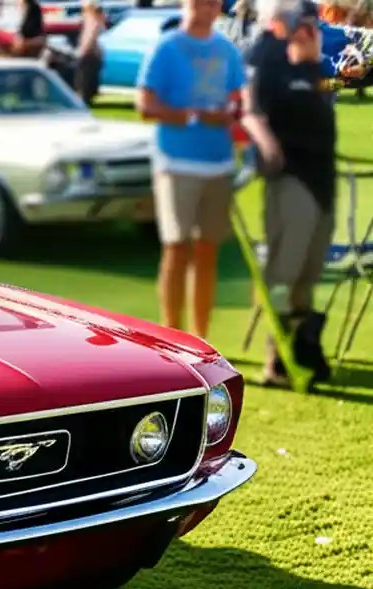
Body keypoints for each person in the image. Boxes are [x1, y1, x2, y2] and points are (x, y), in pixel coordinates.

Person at [136, 0, 247, 339]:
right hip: (176, 162)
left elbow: (238, 100)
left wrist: (233, 116)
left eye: (213, 3)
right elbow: (145, 104)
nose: (207, 8)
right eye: (200, 2)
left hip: (219, 163)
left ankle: (200, 337)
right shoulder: (167, 47)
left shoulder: (227, 50)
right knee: (176, 246)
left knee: (207, 249)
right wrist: (196, 116)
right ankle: (171, 335)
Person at [241, 0, 336, 385]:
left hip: (321, 177)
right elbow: (251, 109)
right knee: (284, 269)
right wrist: (265, 143)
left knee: (309, 273)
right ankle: (274, 355)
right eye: (306, 21)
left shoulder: (310, 63)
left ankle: (301, 347)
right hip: (289, 175)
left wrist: (315, 62)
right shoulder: (264, 55)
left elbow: (322, 99)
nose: (312, 27)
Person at [75, 0, 106, 104]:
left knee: (86, 80)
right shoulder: (93, 20)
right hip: (92, 53)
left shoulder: (93, 21)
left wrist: (83, 50)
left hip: (89, 54)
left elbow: (90, 38)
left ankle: (84, 99)